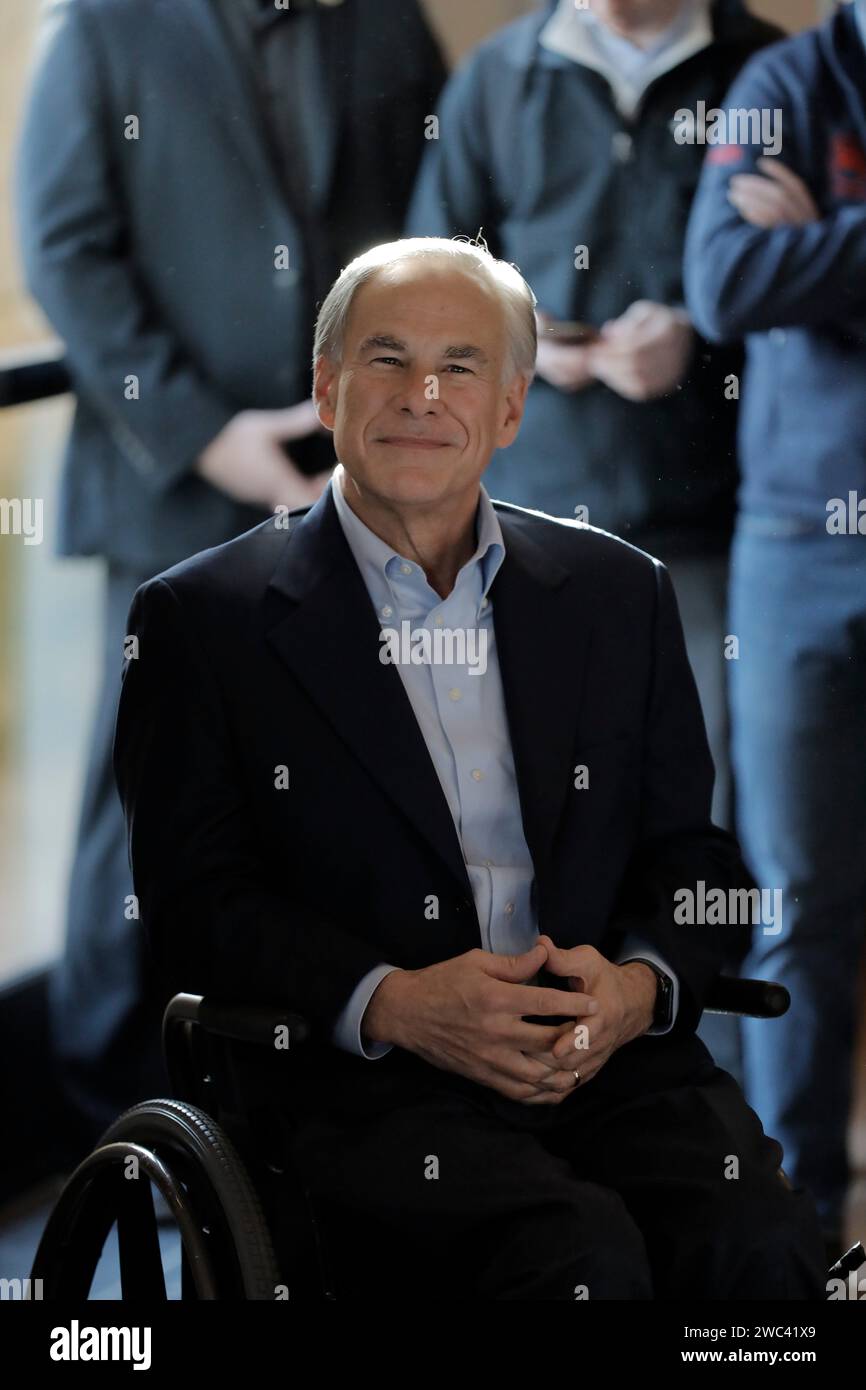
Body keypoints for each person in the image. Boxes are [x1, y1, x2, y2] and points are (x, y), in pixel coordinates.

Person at [113, 237, 826, 1299]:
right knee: (575, 1257)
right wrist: (396, 1003)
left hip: (602, 1058)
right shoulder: (198, 620)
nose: (421, 397)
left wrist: (635, 989)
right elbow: (193, 908)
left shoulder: (616, 593)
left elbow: (694, 859)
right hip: (357, 1084)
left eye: (460, 367)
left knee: (759, 1252)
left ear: (509, 409)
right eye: (386, 360)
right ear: (325, 387)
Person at [14, 0, 445, 1139]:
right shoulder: (100, 27)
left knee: (323, 804)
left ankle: (278, 1118)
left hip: (350, 483)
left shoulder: (388, 21)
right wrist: (208, 433)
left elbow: (435, 230)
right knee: (145, 814)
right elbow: (63, 247)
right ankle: (123, 1124)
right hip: (173, 487)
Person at [406, 0, 782, 839]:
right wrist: (521, 346)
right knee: (532, 808)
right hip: (525, 518)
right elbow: (425, 286)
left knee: (703, 800)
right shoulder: (497, 79)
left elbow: (802, 289)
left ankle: (675, 975)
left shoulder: (765, 71)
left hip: (712, 514)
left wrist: (697, 334)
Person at [684, 0, 866, 1259]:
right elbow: (721, 279)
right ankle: (796, 1223)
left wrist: (833, 244)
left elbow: (783, 274)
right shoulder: (777, 81)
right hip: (796, 551)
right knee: (796, 894)